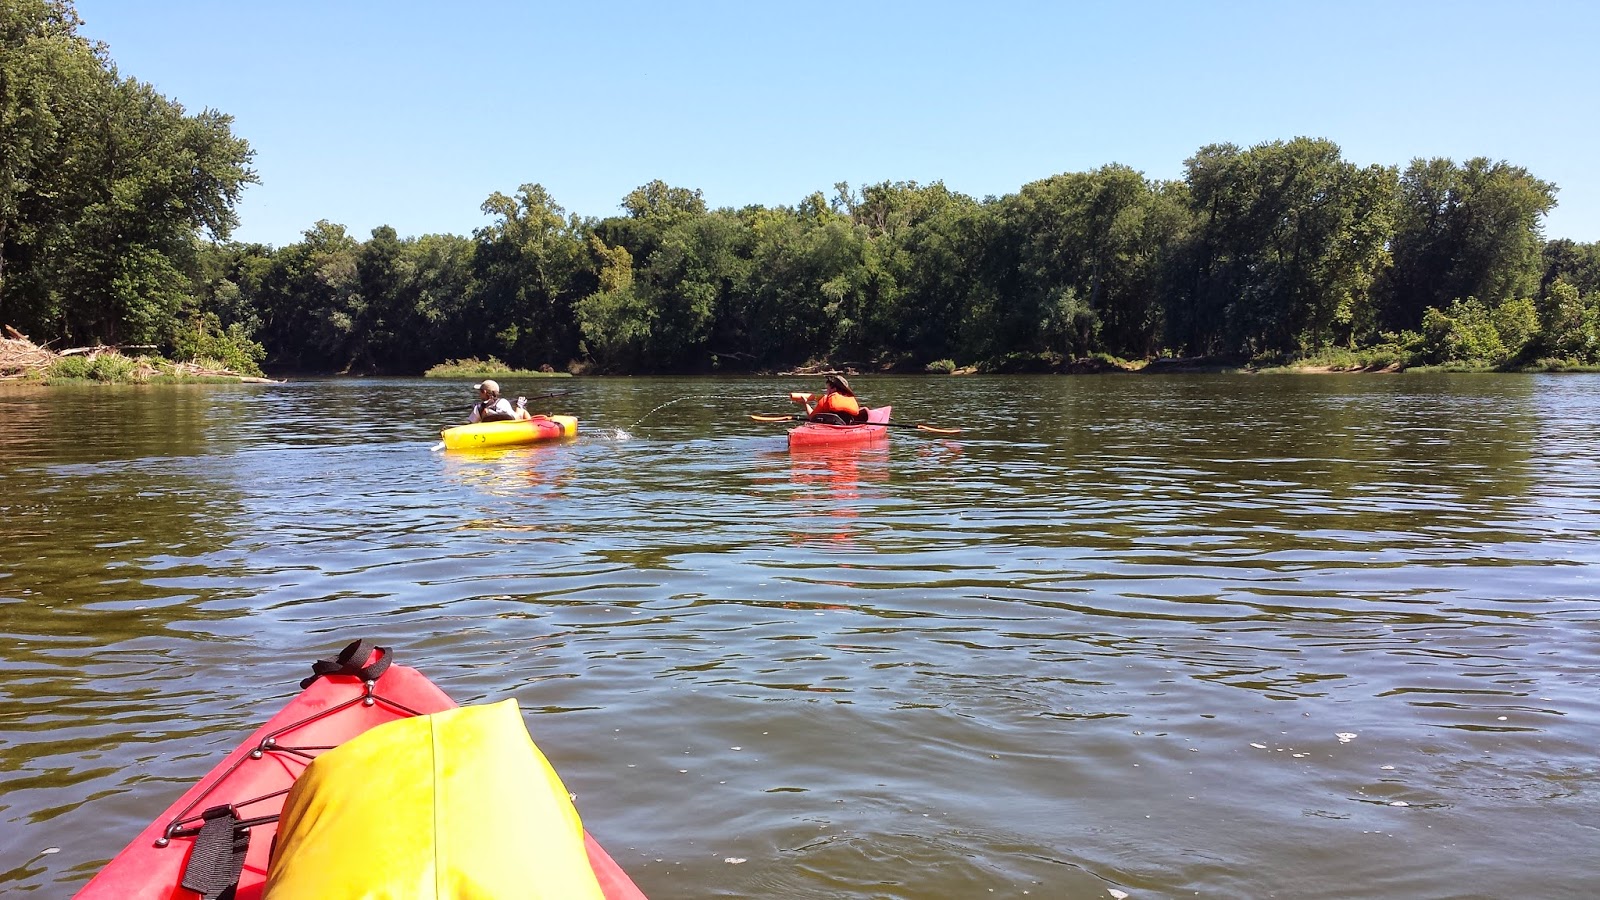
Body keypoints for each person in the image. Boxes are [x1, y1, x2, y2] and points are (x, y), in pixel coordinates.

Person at [801, 374, 866, 424]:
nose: (826, 391)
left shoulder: (825, 400)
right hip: (846, 427)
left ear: (834, 389)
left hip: (830, 429)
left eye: (827, 388)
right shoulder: (851, 399)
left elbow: (812, 417)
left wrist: (805, 403)